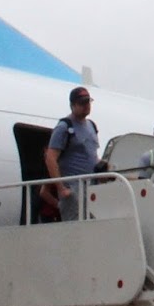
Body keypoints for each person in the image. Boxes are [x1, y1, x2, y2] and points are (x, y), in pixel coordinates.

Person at [44, 86, 100, 221]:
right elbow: (50, 158)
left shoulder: (92, 126)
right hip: (74, 188)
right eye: (82, 103)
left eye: (88, 102)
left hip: (92, 188)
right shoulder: (64, 127)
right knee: (76, 230)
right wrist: (61, 188)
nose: (86, 106)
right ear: (72, 105)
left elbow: (92, 155)